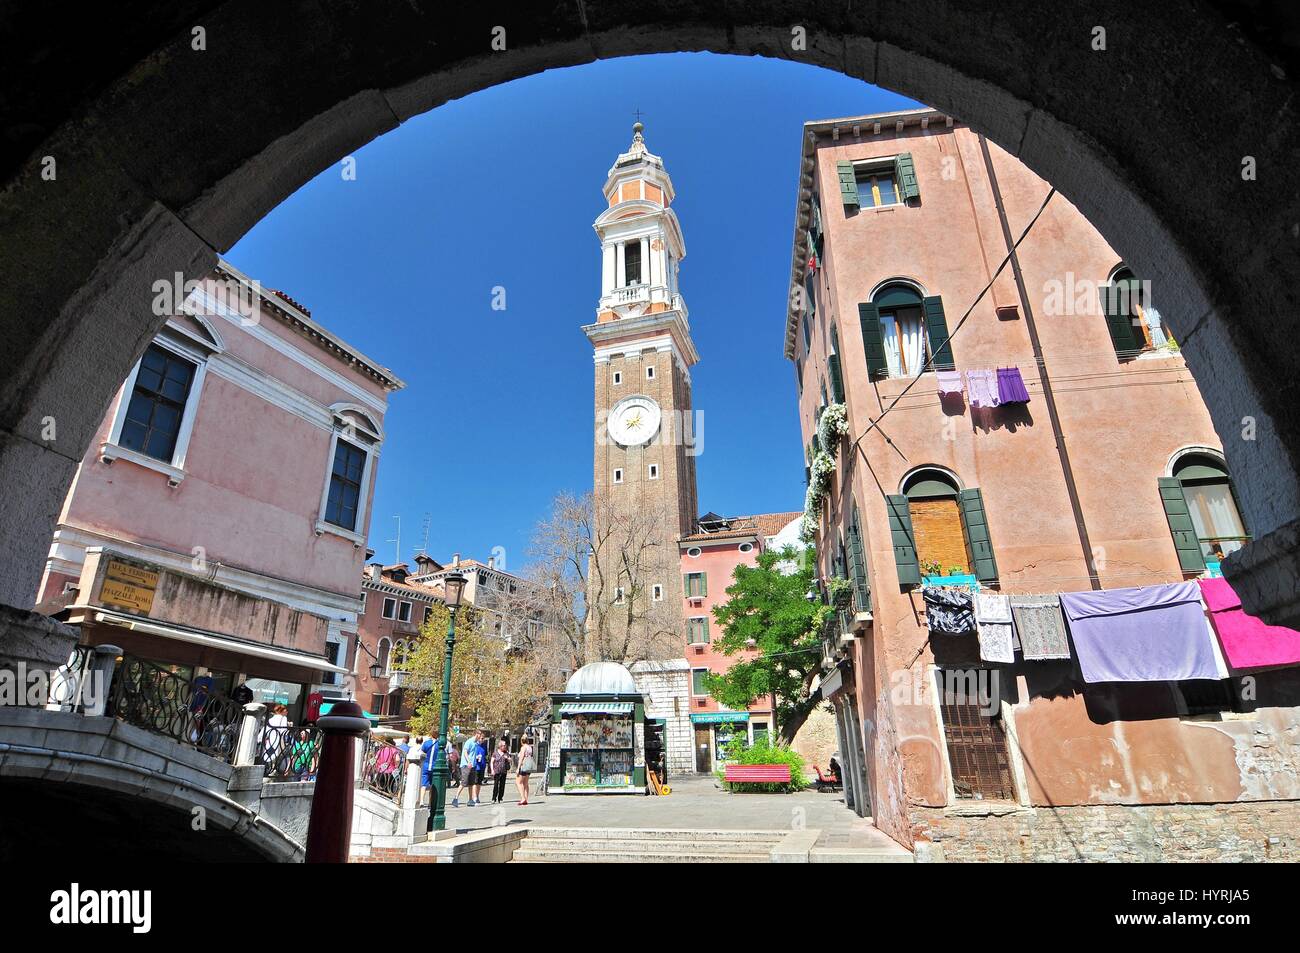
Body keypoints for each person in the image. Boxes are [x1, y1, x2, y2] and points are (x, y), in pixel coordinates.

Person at [465, 729, 488, 806]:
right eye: (481, 738)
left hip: (482, 765)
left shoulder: (484, 746)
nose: (482, 740)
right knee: (475, 782)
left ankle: (477, 796)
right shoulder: (475, 745)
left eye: (483, 738)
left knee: (479, 782)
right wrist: (475, 758)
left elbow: (485, 755)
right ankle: (474, 797)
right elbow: (470, 754)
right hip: (476, 766)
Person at [515, 734, 535, 806]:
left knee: (518, 782)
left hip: (523, 766)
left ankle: (523, 798)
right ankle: (526, 798)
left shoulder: (523, 748)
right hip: (529, 766)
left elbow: (521, 758)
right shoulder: (530, 747)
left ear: (521, 741)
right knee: (526, 783)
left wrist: (518, 768)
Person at [489, 740, 510, 804]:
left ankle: (500, 797)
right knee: (496, 785)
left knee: (502, 785)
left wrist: (507, 758)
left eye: (505, 745)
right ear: (500, 746)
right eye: (504, 745)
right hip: (497, 771)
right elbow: (492, 762)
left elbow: (510, 760)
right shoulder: (495, 753)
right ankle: (494, 798)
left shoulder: (506, 753)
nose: (505, 746)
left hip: (503, 771)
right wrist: (492, 770)